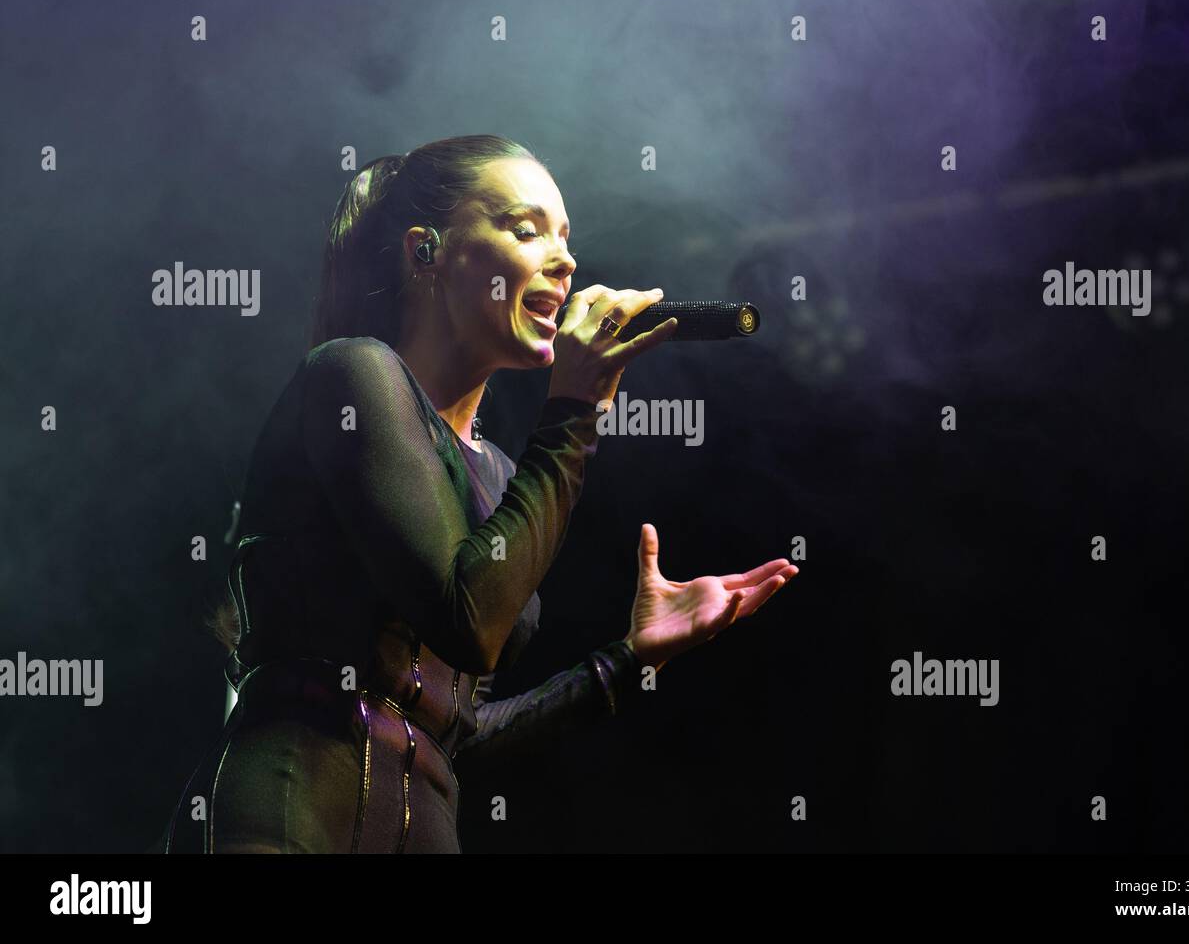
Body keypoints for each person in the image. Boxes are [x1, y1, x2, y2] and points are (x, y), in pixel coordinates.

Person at [162, 135, 798, 853]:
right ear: (423, 253)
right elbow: (469, 618)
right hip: (285, 813)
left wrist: (630, 656)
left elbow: (450, 738)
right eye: (523, 229)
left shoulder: (497, 471)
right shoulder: (352, 377)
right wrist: (574, 416)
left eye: (566, 238)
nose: (564, 260)